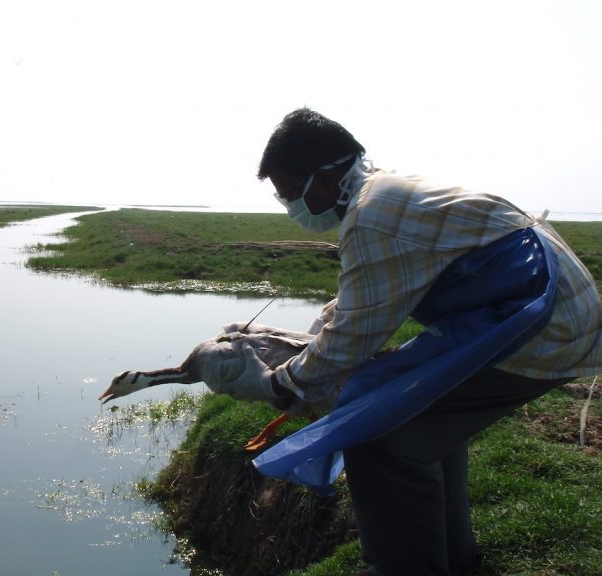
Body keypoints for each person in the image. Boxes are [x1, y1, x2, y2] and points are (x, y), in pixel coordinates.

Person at [238, 108, 602, 576]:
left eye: (291, 193)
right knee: (416, 412)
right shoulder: (384, 193)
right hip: (535, 310)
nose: (291, 208)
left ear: (327, 175)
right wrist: (321, 329)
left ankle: (409, 567)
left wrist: (284, 382)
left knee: (378, 434)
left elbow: (355, 336)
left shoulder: (371, 216)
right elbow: (371, 291)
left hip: (544, 328)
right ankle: (453, 559)